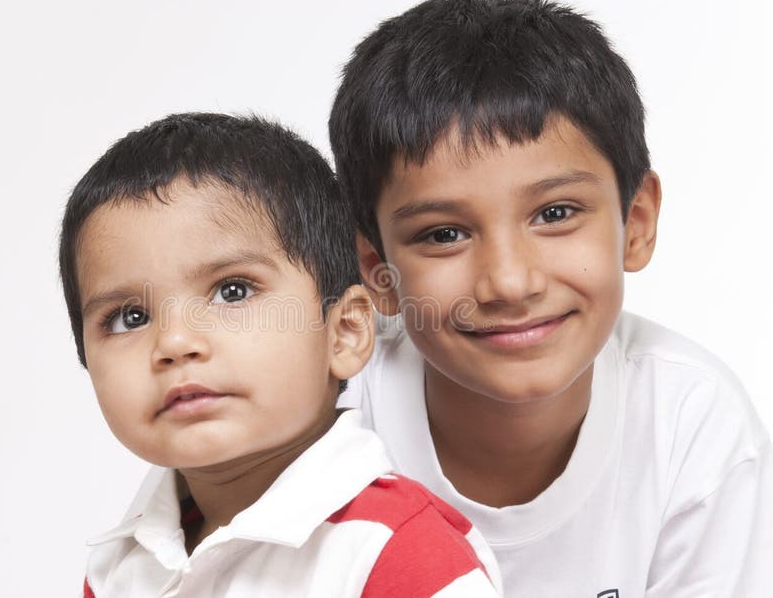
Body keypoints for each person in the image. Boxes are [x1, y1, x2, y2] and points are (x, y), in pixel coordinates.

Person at [328, 0, 773, 596]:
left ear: (635, 222)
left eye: (555, 213)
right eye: (444, 234)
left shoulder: (688, 423)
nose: (509, 281)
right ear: (376, 270)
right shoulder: (330, 421)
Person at [58, 113, 501, 597]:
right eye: (130, 318)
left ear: (345, 333)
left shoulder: (396, 552)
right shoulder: (121, 566)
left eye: (232, 291)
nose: (175, 344)